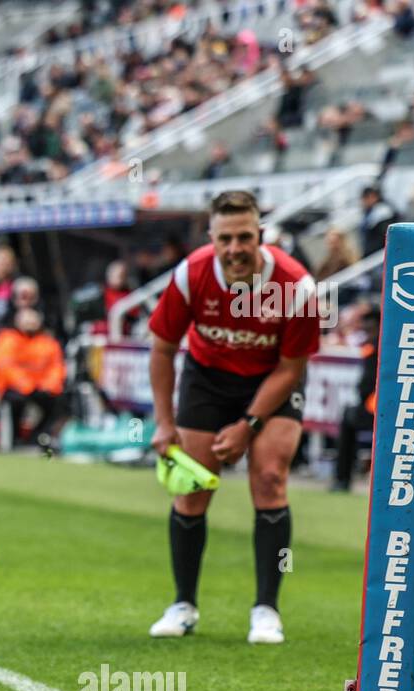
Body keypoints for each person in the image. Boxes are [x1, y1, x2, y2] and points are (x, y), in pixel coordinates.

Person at [146, 190, 320, 645]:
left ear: (260, 234)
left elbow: (291, 368)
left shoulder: (296, 285)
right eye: (225, 238)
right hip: (206, 379)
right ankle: (183, 604)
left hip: (271, 382)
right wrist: (164, 423)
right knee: (192, 489)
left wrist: (249, 425)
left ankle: (266, 610)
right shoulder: (190, 275)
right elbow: (163, 350)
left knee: (268, 477)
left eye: (245, 237)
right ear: (211, 237)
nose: (235, 248)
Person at [0, 308, 67, 448]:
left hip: (40, 386)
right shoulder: (7, 339)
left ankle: (37, 437)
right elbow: (4, 365)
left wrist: (49, 385)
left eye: (33, 320)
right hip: (15, 387)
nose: (30, 323)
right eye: (26, 320)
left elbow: (56, 367)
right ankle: (15, 439)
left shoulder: (48, 342)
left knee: (59, 402)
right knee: (16, 401)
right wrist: (25, 384)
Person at [332, 311, 379, 492]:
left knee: (347, 422)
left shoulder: (376, 346)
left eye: (369, 323)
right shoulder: (371, 345)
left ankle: (342, 479)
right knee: (347, 420)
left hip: (374, 404)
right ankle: (342, 478)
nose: (365, 327)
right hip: (368, 401)